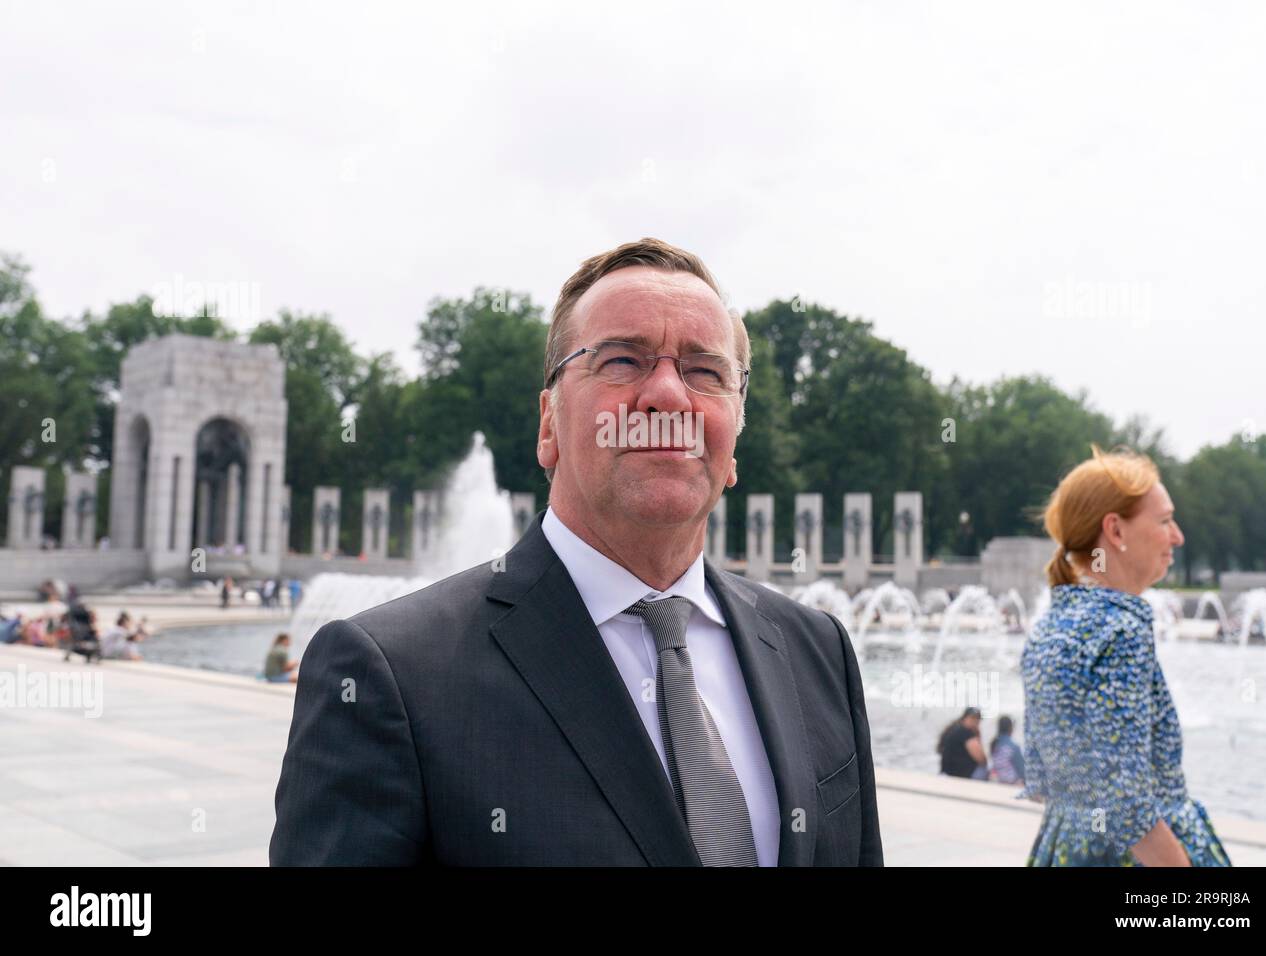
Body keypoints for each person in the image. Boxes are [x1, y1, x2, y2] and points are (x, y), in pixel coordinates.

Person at [272, 238, 884, 866]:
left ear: (735, 440)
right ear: (549, 425)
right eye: (622, 360)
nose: (669, 398)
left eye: (706, 372)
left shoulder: (819, 651)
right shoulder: (390, 675)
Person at [1021, 445, 1231, 867]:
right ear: (1115, 531)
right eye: (1166, 521)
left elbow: (1040, 777)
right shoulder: (1121, 629)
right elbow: (1128, 806)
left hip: (1062, 845)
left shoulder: (1050, 624)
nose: (1178, 536)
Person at [937, 707, 986, 778]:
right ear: (965, 718)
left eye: (977, 719)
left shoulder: (953, 729)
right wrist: (978, 737)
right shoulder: (965, 732)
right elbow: (981, 759)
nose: (975, 721)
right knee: (984, 769)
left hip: (948, 771)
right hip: (960, 774)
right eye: (973, 718)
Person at [988, 715, 1025, 785]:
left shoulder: (994, 744)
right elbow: (1022, 771)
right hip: (1011, 783)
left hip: (998, 780)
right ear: (1011, 728)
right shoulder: (1013, 747)